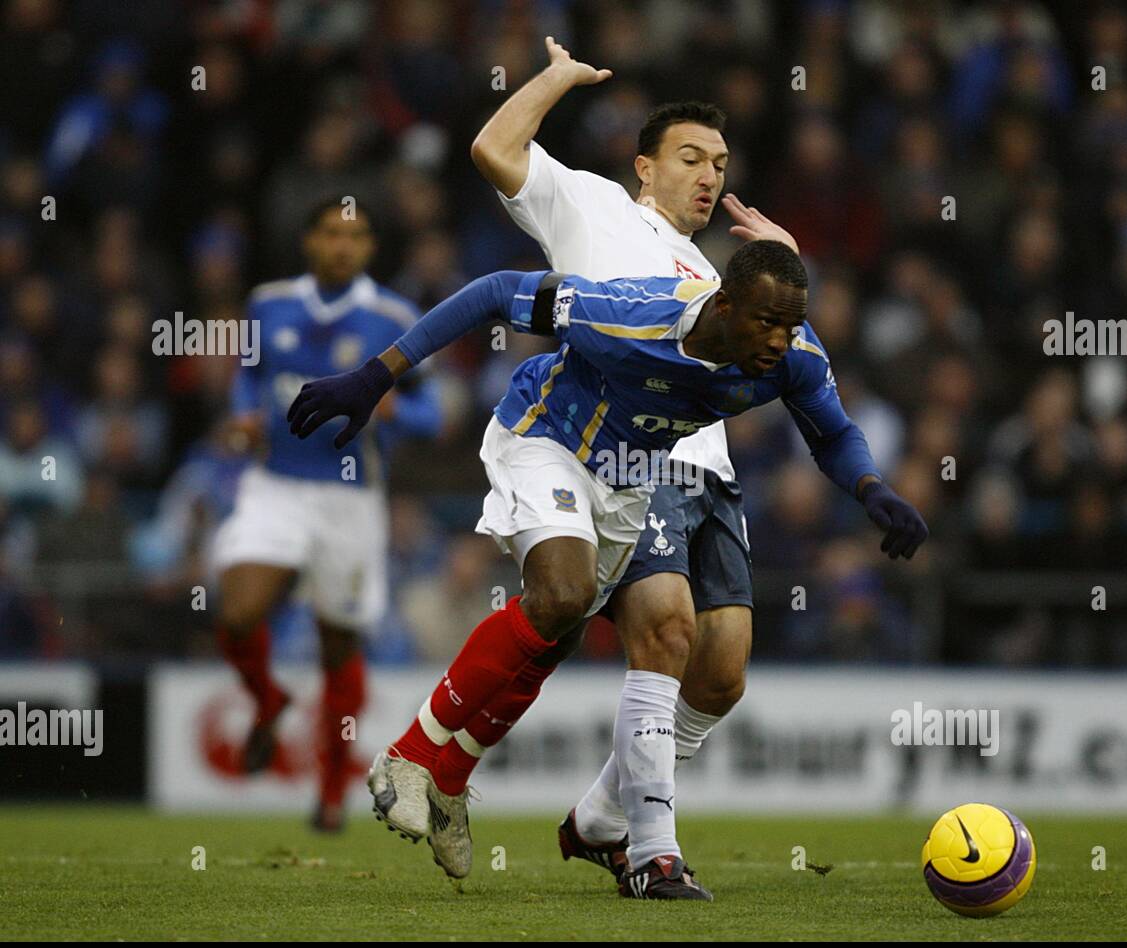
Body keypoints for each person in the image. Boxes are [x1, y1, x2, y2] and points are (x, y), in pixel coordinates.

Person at [288, 239, 928, 898]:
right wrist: (377, 374)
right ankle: (411, 756)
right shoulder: (631, 316)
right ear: (724, 303)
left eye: (790, 324)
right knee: (563, 592)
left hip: (627, 482)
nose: (778, 339)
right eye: (765, 321)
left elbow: (832, 434)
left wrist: (872, 489)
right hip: (546, 439)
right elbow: (494, 292)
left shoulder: (791, 358)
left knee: (556, 633)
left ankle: (449, 778)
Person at [465, 36, 827, 881]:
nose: (709, 176)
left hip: (714, 474)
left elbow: (796, 359)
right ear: (644, 168)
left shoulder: (716, 275)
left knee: (723, 673)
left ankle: (597, 818)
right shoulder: (590, 205)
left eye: (721, 163)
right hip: (633, 460)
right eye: (690, 157)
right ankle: (652, 852)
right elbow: (493, 150)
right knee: (664, 634)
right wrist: (554, 80)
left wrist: (788, 267)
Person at [212, 198, 440, 831]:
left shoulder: (393, 318)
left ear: (370, 248)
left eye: (357, 235)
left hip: (351, 497)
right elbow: (247, 376)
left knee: (337, 643)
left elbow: (435, 413)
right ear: (308, 240)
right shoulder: (269, 302)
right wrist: (243, 415)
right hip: (276, 484)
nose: (343, 245)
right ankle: (267, 701)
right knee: (235, 612)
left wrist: (400, 414)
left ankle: (332, 789)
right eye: (331, 233)